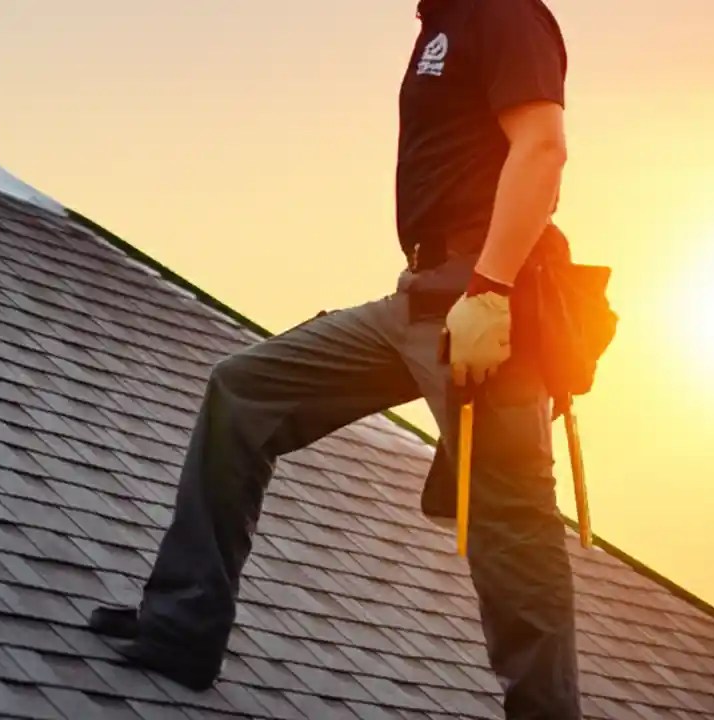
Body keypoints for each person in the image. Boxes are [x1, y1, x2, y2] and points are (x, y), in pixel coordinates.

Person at [88, 0, 582, 716]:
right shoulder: (441, 24)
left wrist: (492, 291)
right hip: (419, 296)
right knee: (243, 392)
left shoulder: (501, 12)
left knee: (512, 525)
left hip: (481, 303)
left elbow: (543, 149)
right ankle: (181, 630)